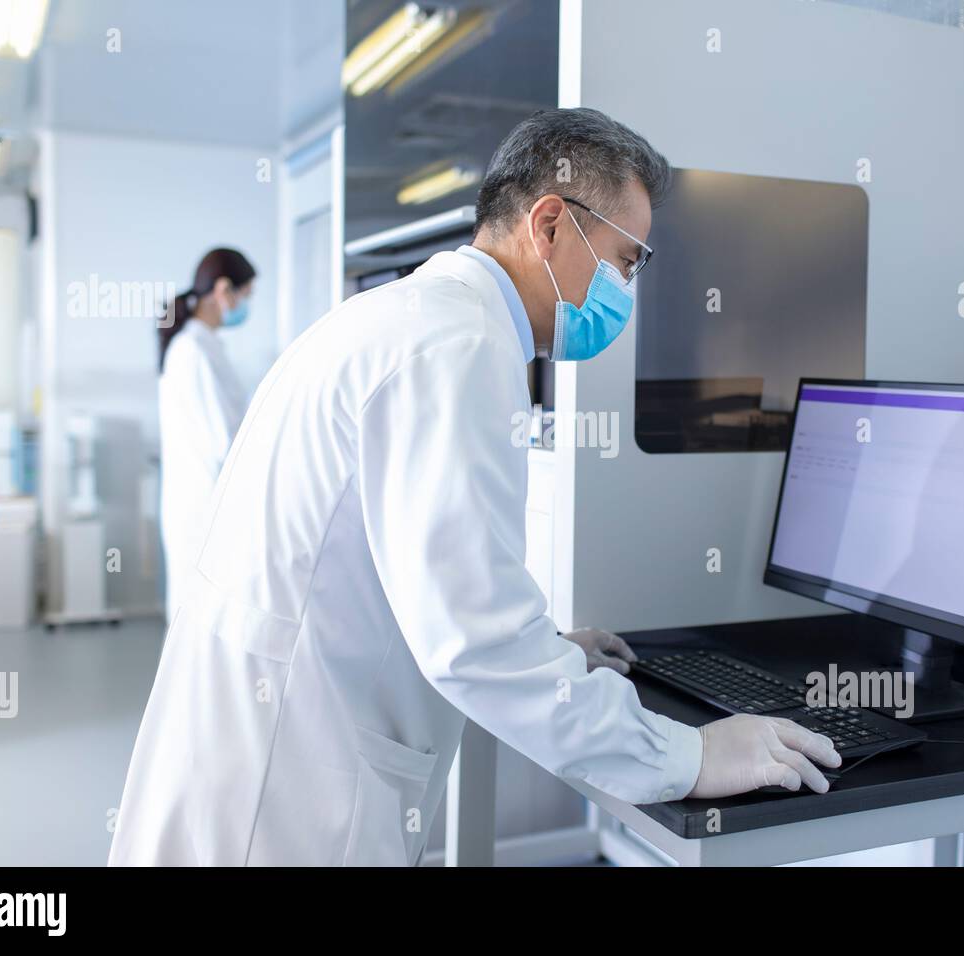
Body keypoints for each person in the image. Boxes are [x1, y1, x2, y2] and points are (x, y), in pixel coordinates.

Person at [110, 109, 839, 867]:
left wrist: (546, 650)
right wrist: (691, 757)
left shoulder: (410, 322)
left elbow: (432, 582)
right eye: (625, 261)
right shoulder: (458, 350)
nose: (627, 290)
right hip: (284, 802)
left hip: (256, 751)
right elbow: (476, 643)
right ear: (550, 223)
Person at [156, 247, 255, 621]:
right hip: (201, 508)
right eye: (246, 295)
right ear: (223, 289)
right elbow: (224, 442)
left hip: (202, 503)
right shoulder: (193, 352)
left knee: (202, 625)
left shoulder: (203, 347)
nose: (246, 305)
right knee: (198, 626)